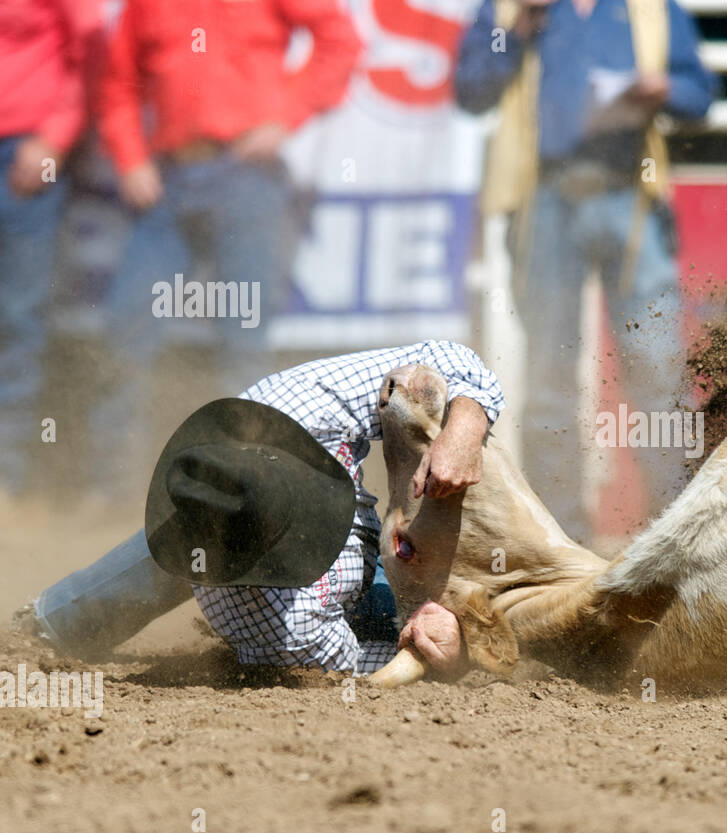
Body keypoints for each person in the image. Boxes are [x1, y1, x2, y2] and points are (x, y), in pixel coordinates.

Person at [18, 340, 505, 677]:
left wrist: (464, 428)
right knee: (393, 612)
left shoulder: (290, 407)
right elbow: (356, 662)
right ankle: (54, 624)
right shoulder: (279, 623)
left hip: (304, 528)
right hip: (331, 593)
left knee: (203, 517)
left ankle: (53, 624)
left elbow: (447, 359)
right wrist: (438, 644)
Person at [455, 0, 717, 543]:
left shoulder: (649, 8)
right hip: (543, 199)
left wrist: (662, 89)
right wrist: (521, 26)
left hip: (630, 198)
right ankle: (561, 540)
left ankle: (678, 535)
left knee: (659, 368)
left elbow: (701, 92)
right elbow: (469, 89)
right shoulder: (509, 8)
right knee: (550, 377)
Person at [92, 0, 362, 493]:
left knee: (242, 341)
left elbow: (340, 40)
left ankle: (246, 492)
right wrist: (130, 157)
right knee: (126, 325)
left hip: (247, 178)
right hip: (169, 179)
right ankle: (111, 491)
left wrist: (287, 112)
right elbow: (116, 82)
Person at [0, 0, 100, 498]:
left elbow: (92, 51)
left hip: (21, 154)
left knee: (18, 317)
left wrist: (54, 137)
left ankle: (7, 481)